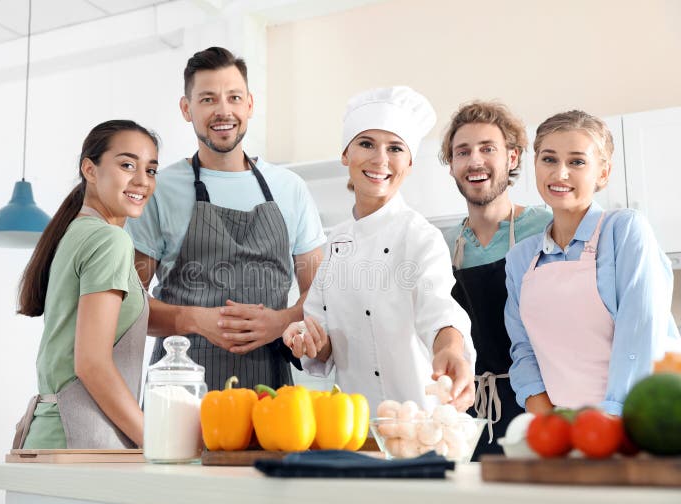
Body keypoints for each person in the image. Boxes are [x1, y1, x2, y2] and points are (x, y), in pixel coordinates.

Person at [126, 47, 325, 392]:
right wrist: (193, 319)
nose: (223, 111)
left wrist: (281, 321)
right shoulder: (159, 190)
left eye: (233, 97)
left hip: (272, 392)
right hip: (179, 393)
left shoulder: (289, 188)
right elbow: (128, 302)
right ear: (187, 109)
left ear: (249, 104)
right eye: (207, 99)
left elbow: (320, 293)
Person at [281, 86, 476, 414]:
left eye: (395, 148)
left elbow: (439, 311)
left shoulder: (419, 236)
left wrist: (452, 351)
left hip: (421, 423)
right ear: (346, 154)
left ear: (410, 162)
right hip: (356, 428)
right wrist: (308, 341)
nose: (380, 160)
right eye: (366, 143)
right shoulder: (336, 245)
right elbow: (323, 338)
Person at [505, 110, 680, 416]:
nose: (560, 173)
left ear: (603, 173)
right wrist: (549, 421)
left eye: (576, 162)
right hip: (569, 428)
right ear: (535, 165)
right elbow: (523, 350)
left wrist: (611, 418)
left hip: (644, 417)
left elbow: (639, 336)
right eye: (549, 159)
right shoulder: (521, 259)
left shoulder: (624, 230)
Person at [13, 120, 160, 449]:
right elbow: (92, 363)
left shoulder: (74, 232)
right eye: (127, 165)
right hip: (79, 438)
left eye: (151, 170)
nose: (142, 181)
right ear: (90, 170)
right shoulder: (110, 240)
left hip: (48, 433)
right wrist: (159, 443)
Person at [439, 101, 552, 457]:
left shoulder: (547, 229)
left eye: (488, 148)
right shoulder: (443, 246)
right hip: (468, 412)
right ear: (453, 166)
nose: (475, 161)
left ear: (513, 158)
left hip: (539, 402)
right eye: (463, 152)